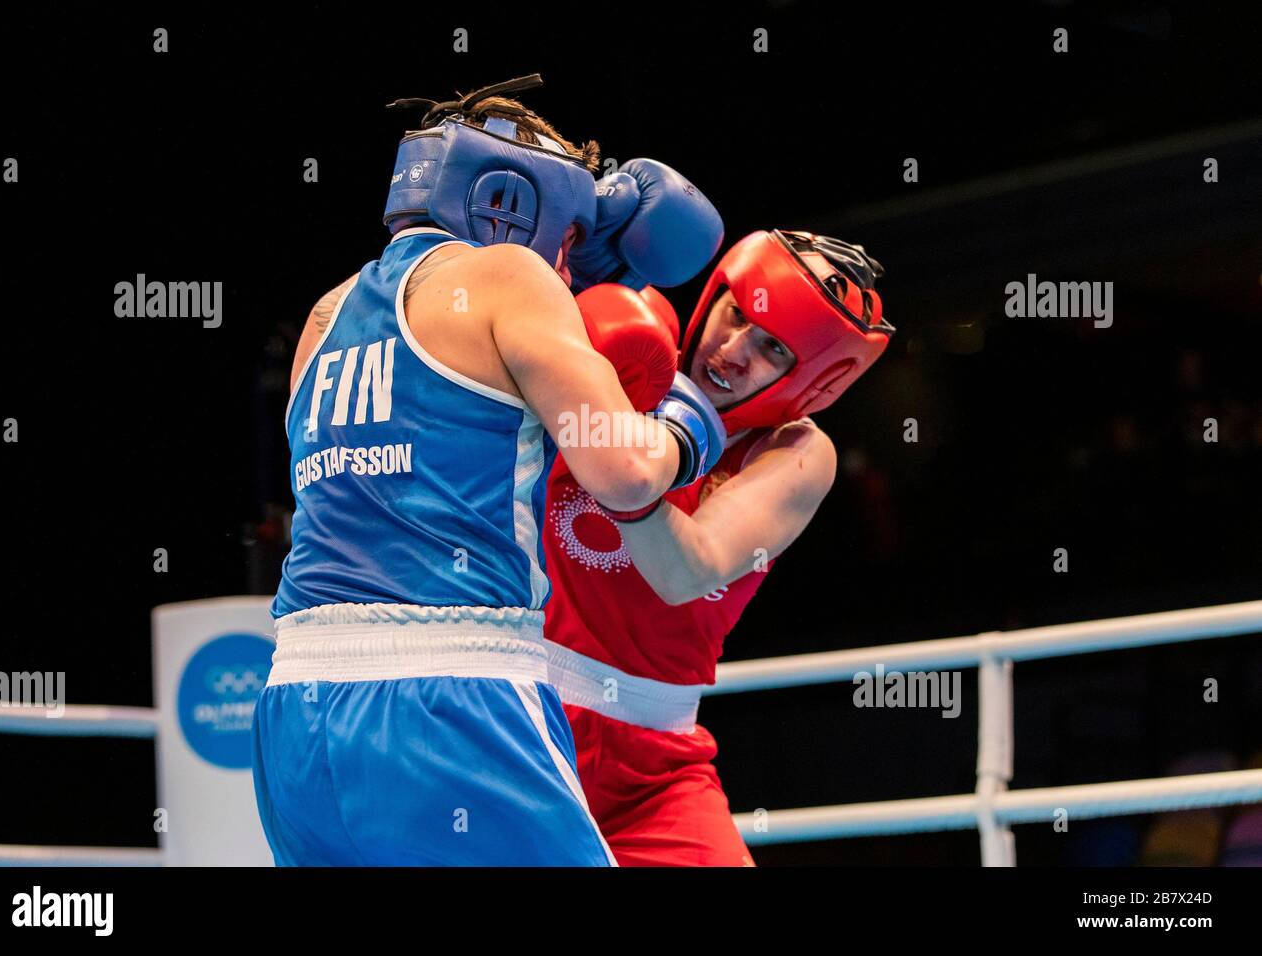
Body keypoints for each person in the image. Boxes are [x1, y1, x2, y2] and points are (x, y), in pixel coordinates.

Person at [251, 75, 725, 865]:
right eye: (570, 235)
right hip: (451, 697)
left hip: (295, 711)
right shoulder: (511, 276)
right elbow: (627, 475)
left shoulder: (324, 316)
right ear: (511, 202)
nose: (570, 262)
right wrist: (688, 426)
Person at [542, 229, 894, 865]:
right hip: (517, 719)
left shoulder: (795, 454)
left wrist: (630, 455)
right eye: (737, 316)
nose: (731, 352)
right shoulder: (618, 355)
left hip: (653, 770)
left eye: (771, 347)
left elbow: (686, 570)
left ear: (812, 377)